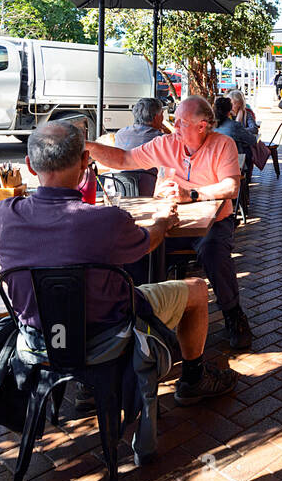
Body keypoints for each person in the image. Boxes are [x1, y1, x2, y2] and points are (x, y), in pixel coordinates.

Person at [0, 121, 236, 439]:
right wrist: (163, 222)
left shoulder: (2, 217)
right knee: (197, 290)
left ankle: (87, 387)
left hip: (37, 341)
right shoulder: (106, 221)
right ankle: (192, 379)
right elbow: (146, 243)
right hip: (108, 337)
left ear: (29, 166)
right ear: (84, 162)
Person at [86, 96, 254, 350]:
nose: (173, 127)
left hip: (213, 220)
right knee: (138, 248)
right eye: (174, 120)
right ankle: (141, 318)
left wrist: (192, 194)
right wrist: (87, 147)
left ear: (202, 125)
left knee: (213, 251)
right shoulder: (166, 144)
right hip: (171, 219)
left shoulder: (223, 144)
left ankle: (233, 314)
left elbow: (231, 186)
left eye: (180, 123)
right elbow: (123, 160)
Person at [213, 94, 256, 163]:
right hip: (232, 162)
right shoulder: (234, 126)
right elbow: (253, 140)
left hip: (213, 160)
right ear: (229, 111)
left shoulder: (209, 126)